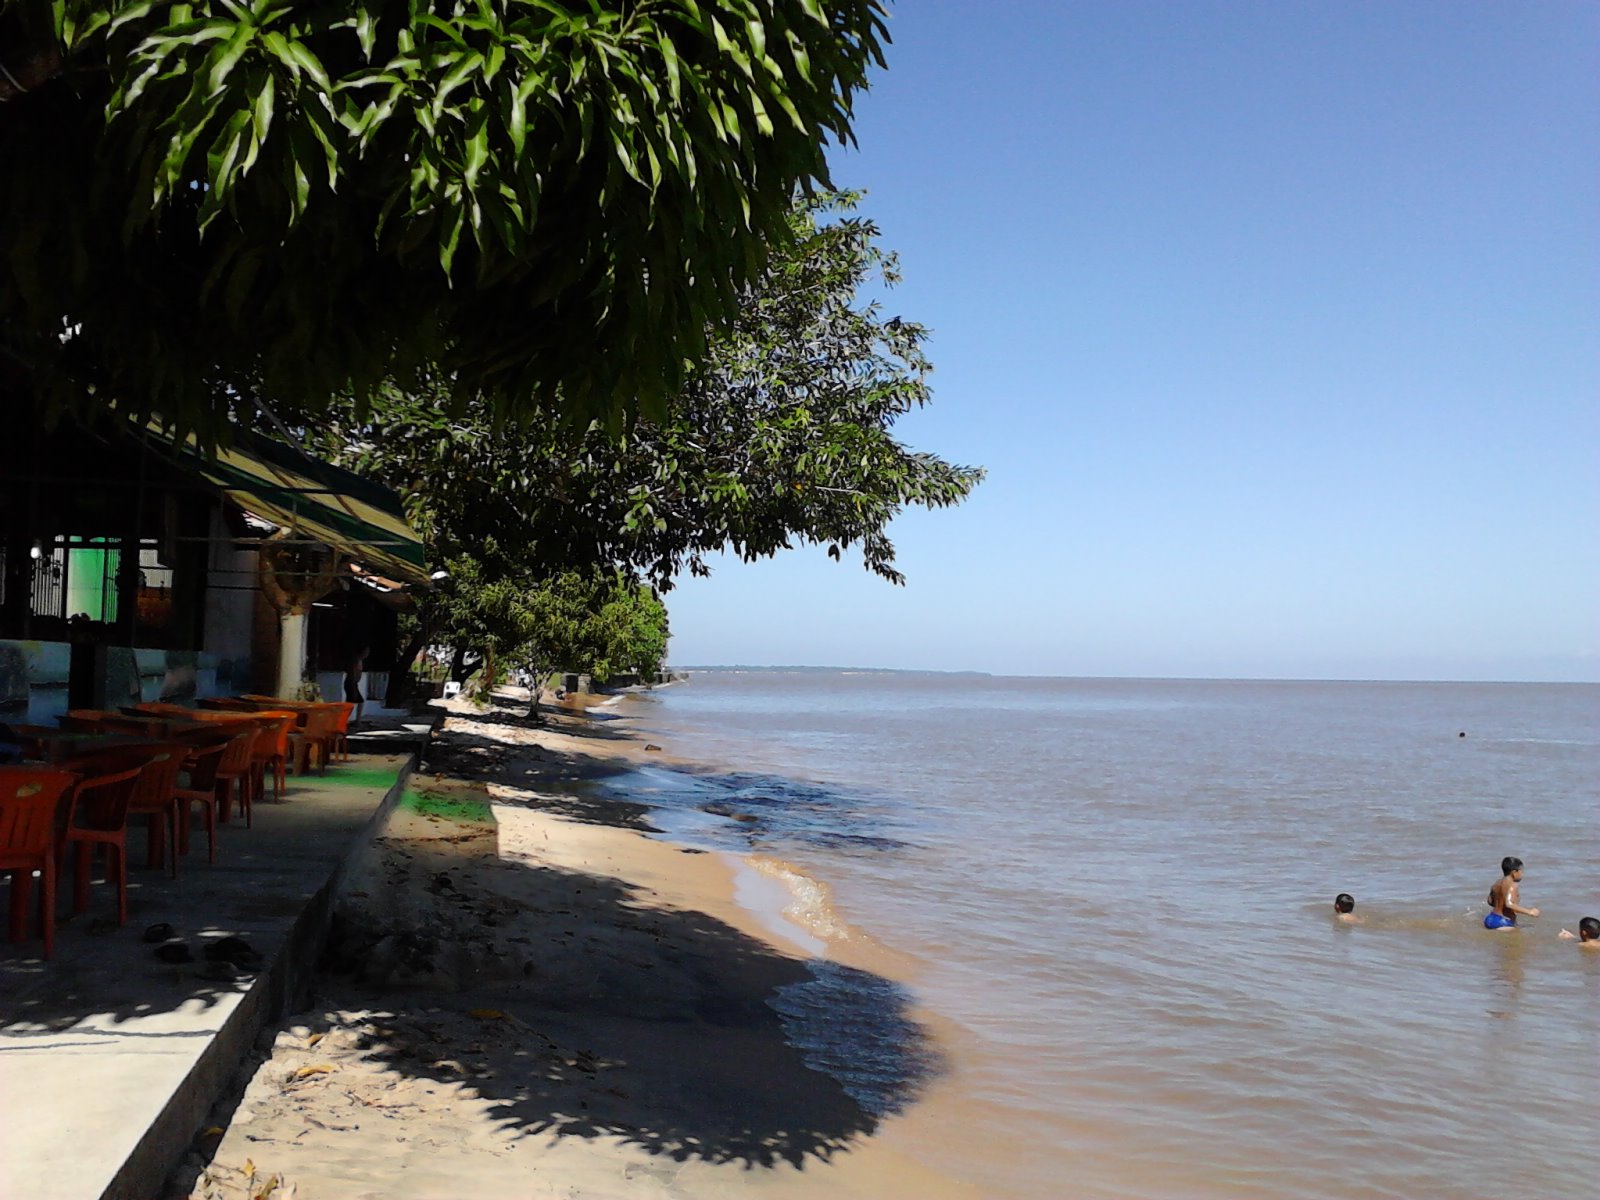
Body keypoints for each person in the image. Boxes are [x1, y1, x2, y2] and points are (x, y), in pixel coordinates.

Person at [1484, 856, 1539, 930]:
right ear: (1514, 872)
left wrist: (1500, 904)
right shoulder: (1512, 885)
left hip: (1490, 918)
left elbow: (1490, 901)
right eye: (1521, 871)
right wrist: (1530, 912)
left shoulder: (1496, 883)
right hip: (1503, 921)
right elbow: (1509, 904)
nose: (1522, 874)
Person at [344, 646, 368, 728]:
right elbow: (353, 673)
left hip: (354, 683)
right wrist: (353, 685)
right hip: (351, 683)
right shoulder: (356, 660)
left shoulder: (359, 660)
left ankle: (352, 720)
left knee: (353, 702)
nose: (367, 653)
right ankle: (352, 721)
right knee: (354, 702)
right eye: (366, 651)